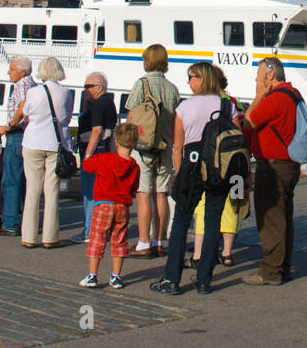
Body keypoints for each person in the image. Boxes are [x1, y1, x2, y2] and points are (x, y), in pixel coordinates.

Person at [150, 62, 238, 295]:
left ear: (200, 79)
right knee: (212, 222)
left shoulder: (185, 108)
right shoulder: (226, 105)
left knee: (181, 221)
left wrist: (178, 173)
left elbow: (177, 146)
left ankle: (172, 279)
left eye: (191, 77)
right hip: (219, 167)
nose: (188, 81)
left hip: (191, 163)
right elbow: (237, 138)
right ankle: (204, 280)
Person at [241, 57, 301, 286]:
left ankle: (271, 270)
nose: (256, 80)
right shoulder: (294, 94)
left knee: (270, 218)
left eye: (258, 76)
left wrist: (258, 95)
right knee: (284, 216)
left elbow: (249, 121)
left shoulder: (274, 98)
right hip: (290, 163)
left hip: (273, 164)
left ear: (269, 76)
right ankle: (282, 266)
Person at [189, 68, 250, 269]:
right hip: (237, 163)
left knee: (203, 207)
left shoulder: (208, 102)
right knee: (234, 205)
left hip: (212, 163)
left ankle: (198, 254)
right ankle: (227, 252)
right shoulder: (235, 102)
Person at [127, 45, 180, 258]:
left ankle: (143, 242)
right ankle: (159, 241)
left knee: (143, 195)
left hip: (143, 148)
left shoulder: (141, 84)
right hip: (165, 147)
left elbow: (131, 117)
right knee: (161, 195)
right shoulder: (172, 88)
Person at [79, 123, 141, 289]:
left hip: (103, 204)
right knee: (119, 241)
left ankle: (92, 276)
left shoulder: (105, 159)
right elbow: (134, 188)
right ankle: (116, 276)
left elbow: (87, 166)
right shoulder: (134, 166)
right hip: (123, 206)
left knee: (97, 239)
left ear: (116, 142)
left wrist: (87, 156)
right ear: (135, 144)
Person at [21, 57, 75, 248]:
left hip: (33, 141)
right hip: (55, 143)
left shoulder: (34, 92)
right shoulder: (66, 93)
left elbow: (26, 112)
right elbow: (66, 118)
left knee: (32, 190)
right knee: (51, 191)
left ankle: (28, 236)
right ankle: (50, 237)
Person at [0, 57, 35, 236]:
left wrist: (9, 125)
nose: (8, 72)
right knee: (26, 181)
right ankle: (25, 219)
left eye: (11, 69)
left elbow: (23, 106)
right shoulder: (33, 84)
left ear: (22, 71)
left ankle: (10, 222)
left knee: (11, 179)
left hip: (18, 134)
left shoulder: (22, 85)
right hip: (29, 136)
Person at [75, 72, 118, 245]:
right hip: (106, 153)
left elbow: (97, 130)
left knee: (90, 192)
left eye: (88, 87)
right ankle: (99, 229)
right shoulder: (108, 103)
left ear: (99, 87)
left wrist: (87, 156)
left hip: (96, 154)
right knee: (102, 193)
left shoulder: (99, 105)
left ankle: (90, 230)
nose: (85, 90)